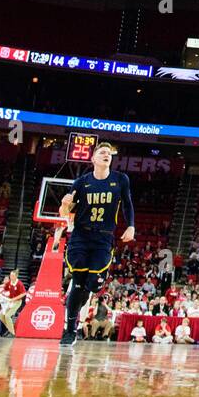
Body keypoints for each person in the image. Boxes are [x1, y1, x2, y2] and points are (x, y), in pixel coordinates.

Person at [57, 143, 135, 346]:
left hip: (104, 237)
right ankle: (69, 329)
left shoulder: (120, 179)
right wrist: (64, 205)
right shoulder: (81, 182)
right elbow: (65, 215)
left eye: (109, 153)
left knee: (91, 284)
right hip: (81, 236)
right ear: (93, 159)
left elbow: (127, 204)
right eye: (102, 152)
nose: (106, 155)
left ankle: (90, 288)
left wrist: (131, 226)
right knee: (78, 283)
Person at [0, 269, 25, 336]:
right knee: (0, 315)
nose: (11, 277)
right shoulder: (10, 282)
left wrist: (14, 299)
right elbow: (5, 286)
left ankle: (12, 333)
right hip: (10, 301)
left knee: (7, 316)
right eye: (10, 275)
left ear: (16, 276)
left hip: (17, 302)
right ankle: (9, 329)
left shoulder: (19, 284)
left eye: (12, 275)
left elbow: (23, 294)